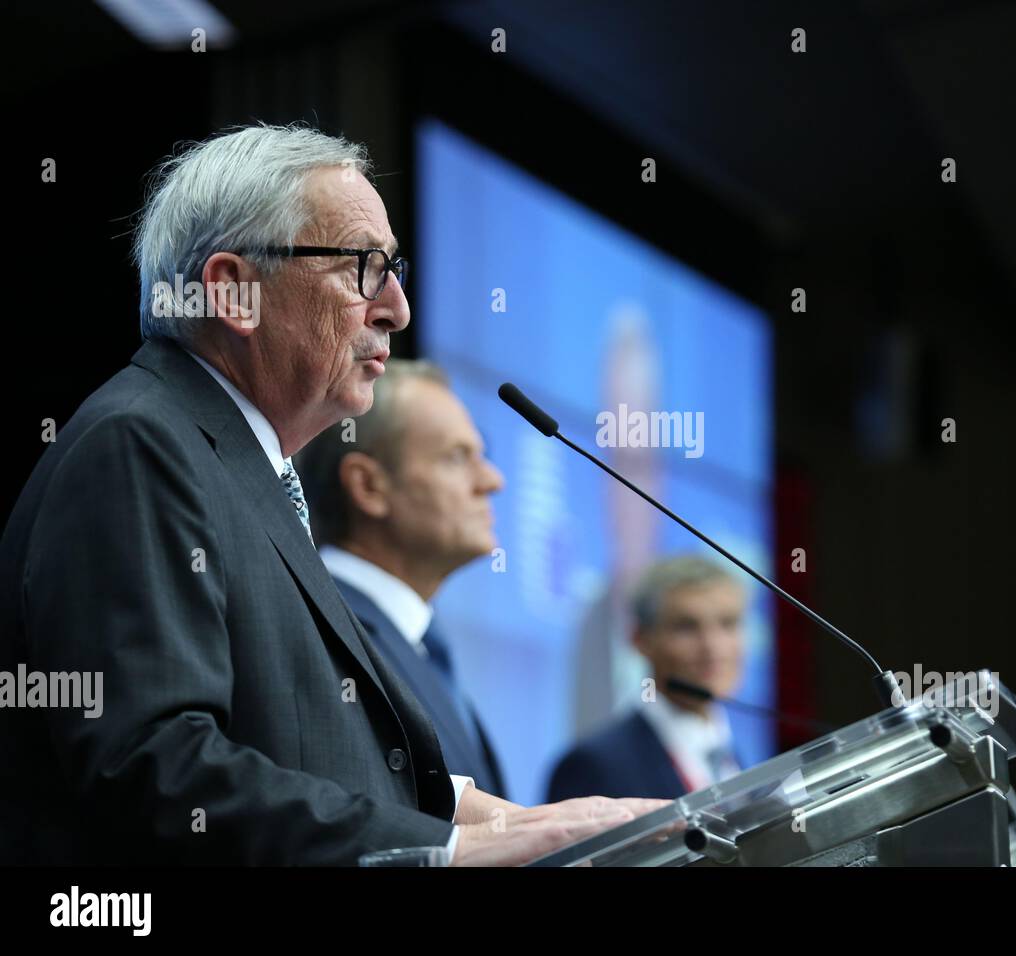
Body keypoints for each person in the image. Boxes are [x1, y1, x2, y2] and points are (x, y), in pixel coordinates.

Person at [0, 123, 661, 865]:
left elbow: (307, 748)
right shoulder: (139, 444)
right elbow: (155, 765)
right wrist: (445, 851)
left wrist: (515, 825)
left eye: (395, 268)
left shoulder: (241, 469)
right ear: (233, 291)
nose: (397, 308)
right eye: (362, 268)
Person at [296, 359, 509, 798]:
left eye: (482, 455)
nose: (492, 480)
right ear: (369, 486)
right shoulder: (316, 625)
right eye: (458, 457)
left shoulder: (421, 644)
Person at [548, 555, 750, 801]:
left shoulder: (730, 754)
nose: (713, 647)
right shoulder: (594, 765)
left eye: (728, 624)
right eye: (687, 627)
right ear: (640, 639)